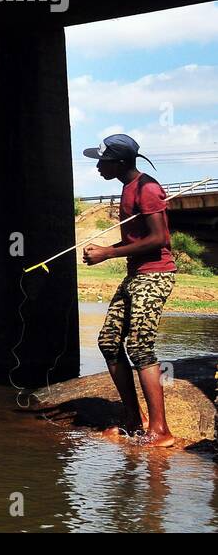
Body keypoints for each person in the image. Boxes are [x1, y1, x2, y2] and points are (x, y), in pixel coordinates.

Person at [81, 133, 177, 448]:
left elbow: (159, 238)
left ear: (120, 162)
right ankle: (133, 421)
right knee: (109, 341)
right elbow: (135, 241)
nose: (97, 166)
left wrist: (108, 253)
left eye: (102, 160)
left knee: (140, 348)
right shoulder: (128, 188)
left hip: (155, 276)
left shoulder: (148, 189)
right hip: (136, 274)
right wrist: (105, 249)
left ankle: (160, 431)